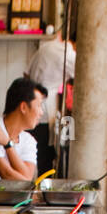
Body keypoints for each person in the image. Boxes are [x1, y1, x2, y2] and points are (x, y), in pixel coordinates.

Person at [26, 30, 76, 173]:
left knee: (37, 156)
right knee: (46, 158)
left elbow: (26, 74)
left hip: (32, 106)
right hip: (46, 111)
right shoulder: (69, 54)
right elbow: (85, 79)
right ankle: (44, 189)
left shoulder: (46, 47)